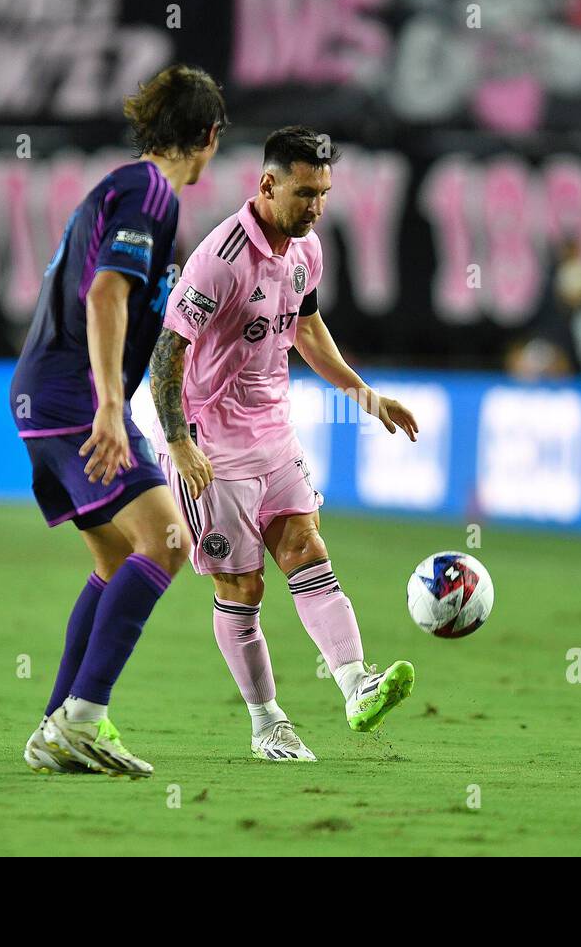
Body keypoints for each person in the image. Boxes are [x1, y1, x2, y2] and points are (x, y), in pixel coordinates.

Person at [147, 126, 420, 762]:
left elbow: (306, 326)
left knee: (306, 547)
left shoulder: (306, 250)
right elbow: (168, 352)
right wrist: (180, 442)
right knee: (242, 589)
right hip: (211, 442)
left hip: (274, 431)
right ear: (267, 185)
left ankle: (357, 686)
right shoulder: (220, 258)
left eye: (324, 192)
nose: (317, 206)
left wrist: (366, 396)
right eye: (305, 193)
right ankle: (267, 724)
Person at [9, 65, 227, 776]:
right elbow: (107, 295)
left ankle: (55, 727)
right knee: (167, 538)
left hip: (44, 395)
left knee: (114, 560)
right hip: (76, 397)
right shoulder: (150, 192)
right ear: (209, 137)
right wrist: (109, 406)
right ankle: (85, 717)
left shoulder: (122, 186)